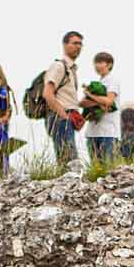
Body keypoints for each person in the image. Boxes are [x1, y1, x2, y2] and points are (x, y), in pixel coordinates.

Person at [41, 31, 84, 169]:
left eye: (80, 44)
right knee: (69, 160)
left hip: (65, 117)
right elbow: (47, 93)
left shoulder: (71, 69)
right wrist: (64, 116)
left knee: (68, 159)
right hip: (61, 117)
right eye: (75, 43)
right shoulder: (59, 66)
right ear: (65, 45)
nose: (78, 47)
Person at [83, 51, 122, 165]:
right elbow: (84, 104)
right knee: (96, 169)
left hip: (108, 133)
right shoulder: (98, 83)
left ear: (109, 64)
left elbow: (109, 101)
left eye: (100, 62)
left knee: (108, 169)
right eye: (95, 63)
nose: (97, 65)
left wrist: (90, 95)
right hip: (92, 132)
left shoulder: (113, 80)